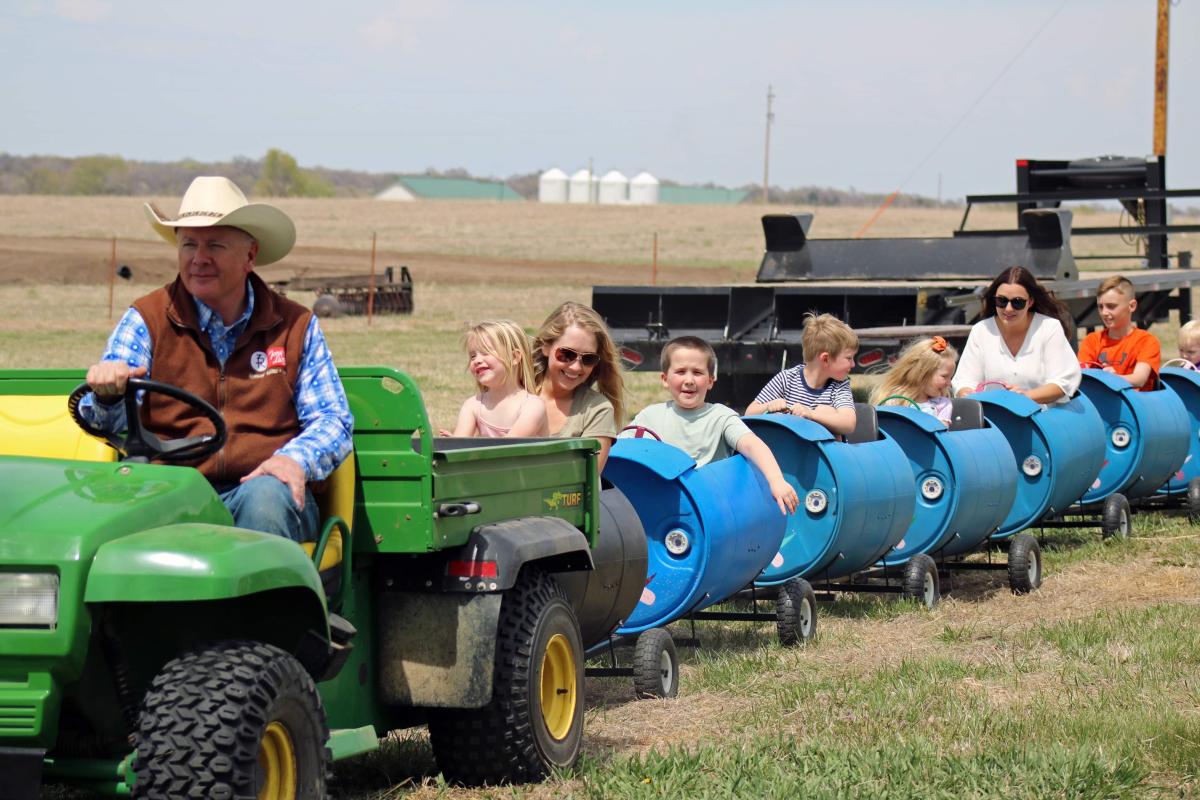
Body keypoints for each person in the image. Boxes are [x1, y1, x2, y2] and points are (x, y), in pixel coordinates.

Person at [80, 176, 354, 543]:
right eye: (189, 244)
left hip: (262, 488)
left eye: (215, 245)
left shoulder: (295, 326)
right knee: (134, 507)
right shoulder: (147, 318)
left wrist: (294, 461)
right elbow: (99, 420)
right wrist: (107, 393)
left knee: (267, 499)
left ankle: (261, 599)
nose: (199, 258)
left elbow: (333, 419)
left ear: (250, 255)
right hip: (174, 488)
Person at [619, 336, 798, 515]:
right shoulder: (650, 416)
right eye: (681, 372)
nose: (689, 380)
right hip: (662, 508)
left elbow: (752, 444)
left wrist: (776, 480)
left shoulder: (721, 417)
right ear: (665, 379)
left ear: (711, 380)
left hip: (711, 511)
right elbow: (619, 449)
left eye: (697, 373)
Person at [951, 265, 1080, 405]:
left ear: (1030, 302)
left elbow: (1062, 383)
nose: (1008, 308)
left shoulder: (1049, 328)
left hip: (1043, 418)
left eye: (1017, 302)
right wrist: (967, 392)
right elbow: (964, 380)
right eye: (1001, 301)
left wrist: (1025, 397)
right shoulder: (981, 330)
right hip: (994, 416)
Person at [532, 301, 624, 471]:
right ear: (545, 347)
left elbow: (588, 479)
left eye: (588, 359)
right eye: (566, 354)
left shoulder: (598, 409)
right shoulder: (514, 392)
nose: (575, 367)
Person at [744, 312, 857, 436]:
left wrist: (811, 414)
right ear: (825, 359)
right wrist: (769, 406)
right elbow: (749, 413)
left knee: (826, 410)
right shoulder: (786, 379)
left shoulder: (839, 386)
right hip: (788, 447)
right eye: (849, 358)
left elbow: (849, 423)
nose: (853, 364)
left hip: (823, 451)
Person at [449, 320, 549, 437]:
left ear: (514, 357)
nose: (477, 360)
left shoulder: (532, 406)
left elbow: (508, 449)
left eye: (486, 352)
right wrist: (452, 444)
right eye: (473, 356)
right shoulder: (473, 405)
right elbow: (459, 447)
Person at [1076, 275, 1161, 391]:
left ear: (1131, 306)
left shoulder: (1146, 341)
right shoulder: (1091, 341)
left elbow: (1140, 379)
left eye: (1111, 306)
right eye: (1101, 307)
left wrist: (1113, 379)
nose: (1104, 312)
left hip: (1136, 405)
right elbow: (1083, 376)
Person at [869, 336, 959, 426]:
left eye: (950, 377)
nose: (949, 383)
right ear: (921, 373)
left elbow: (940, 433)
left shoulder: (942, 405)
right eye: (944, 376)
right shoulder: (895, 401)